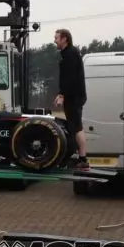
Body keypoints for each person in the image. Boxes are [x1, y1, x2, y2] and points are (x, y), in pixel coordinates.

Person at [53, 28, 89, 169]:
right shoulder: (68, 54)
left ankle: (81, 158)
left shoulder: (71, 54)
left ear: (64, 39)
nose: (54, 40)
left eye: (56, 37)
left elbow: (70, 79)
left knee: (76, 126)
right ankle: (78, 157)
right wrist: (60, 93)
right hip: (73, 96)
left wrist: (62, 95)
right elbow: (67, 79)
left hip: (74, 97)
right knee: (74, 126)